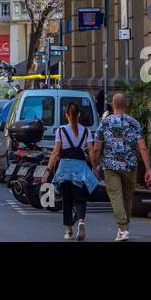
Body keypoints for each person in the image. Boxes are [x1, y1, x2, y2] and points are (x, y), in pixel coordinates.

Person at [93, 92, 151, 241]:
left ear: (112, 105)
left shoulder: (104, 123)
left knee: (116, 196)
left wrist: (94, 164)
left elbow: (96, 148)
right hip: (130, 166)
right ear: (126, 105)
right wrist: (148, 169)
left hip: (110, 166)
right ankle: (124, 229)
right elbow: (143, 147)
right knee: (127, 197)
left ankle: (122, 228)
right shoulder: (134, 123)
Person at [41, 102, 97, 241]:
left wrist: (47, 170)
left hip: (64, 169)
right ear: (78, 115)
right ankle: (81, 221)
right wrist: (95, 167)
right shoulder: (86, 131)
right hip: (80, 169)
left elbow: (55, 152)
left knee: (67, 201)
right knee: (80, 199)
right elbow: (91, 150)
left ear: (66, 116)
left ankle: (68, 232)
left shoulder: (61, 131)